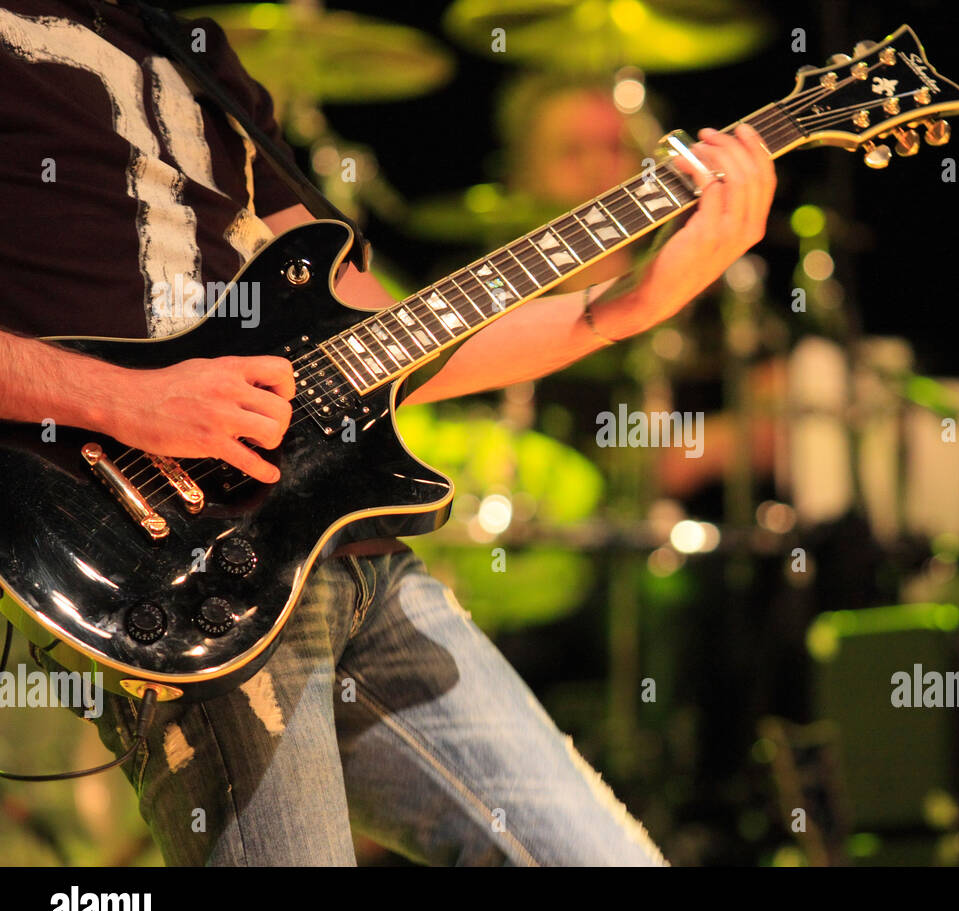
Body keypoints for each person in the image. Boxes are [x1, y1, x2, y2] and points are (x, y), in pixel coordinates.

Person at [0, 0, 776, 865]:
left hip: (341, 548)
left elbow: (388, 336)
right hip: (161, 556)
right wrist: (123, 402)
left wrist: (626, 306)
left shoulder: (195, 54)